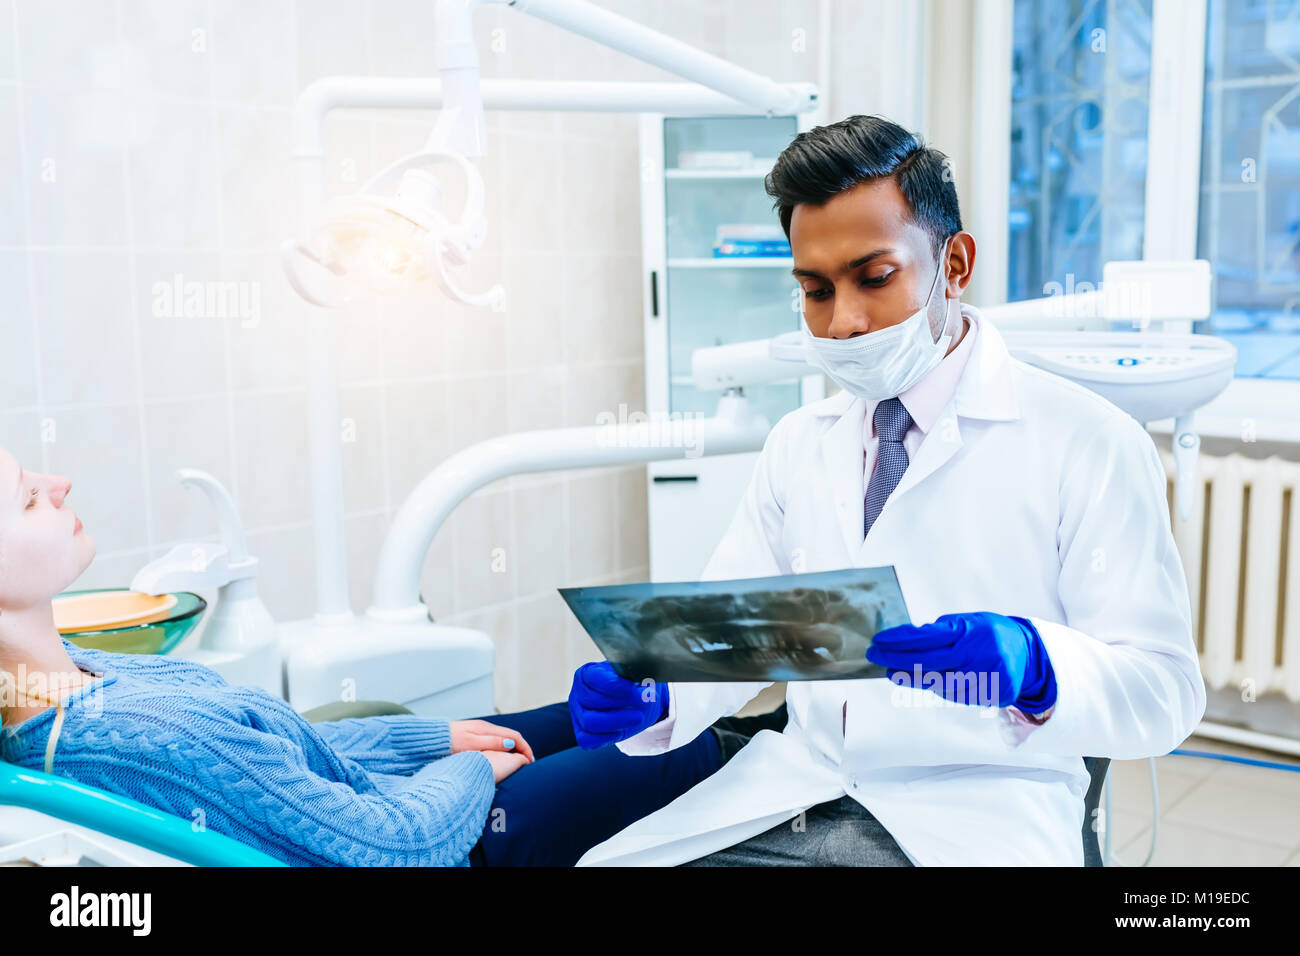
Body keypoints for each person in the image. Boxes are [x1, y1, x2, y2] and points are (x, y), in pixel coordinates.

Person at [568, 114, 1207, 867]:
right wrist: (657, 691)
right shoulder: (800, 445)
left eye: (874, 277)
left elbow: (1165, 692)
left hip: (982, 807)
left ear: (955, 263)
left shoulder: (1089, 441)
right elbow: (732, 634)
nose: (842, 323)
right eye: (814, 290)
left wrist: (1037, 664)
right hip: (801, 784)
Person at [0, 449, 759, 866]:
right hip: (445, 848)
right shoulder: (140, 741)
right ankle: (768, 745)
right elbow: (388, 851)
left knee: (594, 714)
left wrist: (431, 739)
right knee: (685, 752)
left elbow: (270, 754)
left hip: (383, 798)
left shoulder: (82, 672)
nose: (58, 482)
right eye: (28, 498)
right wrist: (467, 770)